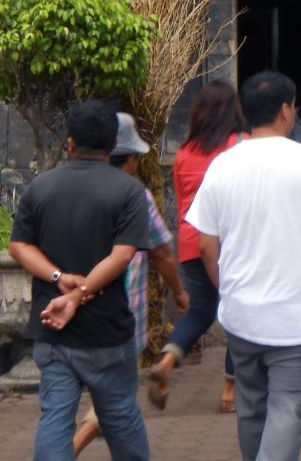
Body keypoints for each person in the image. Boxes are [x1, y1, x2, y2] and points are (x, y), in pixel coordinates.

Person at [186, 69, 301, 461]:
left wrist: (227, 289)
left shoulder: (222, 166)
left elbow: (206, 245)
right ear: (285, 110)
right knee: (288, 409)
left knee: (251, 408)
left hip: (241, 315)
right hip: (295, 320)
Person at [9, 100, 151, 461]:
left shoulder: (41, 187)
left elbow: (19, 246)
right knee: (121, 418)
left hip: (52, 328)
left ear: (70, 143)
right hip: (107, 331)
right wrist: (79, 293)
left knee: (55, 419)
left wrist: (60, 279)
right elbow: (122, 255)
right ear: (113, 145)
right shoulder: (129, 191)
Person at [73, 113, 189, 456]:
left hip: (71, 312)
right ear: (130, 159)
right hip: (121, 317)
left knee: (96, 401)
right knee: (115, 403)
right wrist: (180, 293)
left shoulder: (64, 188)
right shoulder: (136, 196)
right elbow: (163, 254)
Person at [149, 79, 246, 412]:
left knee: (200, 311)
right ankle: (230, 391)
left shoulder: (184, 153)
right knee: (238, 312)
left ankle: (167, 359)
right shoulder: (240, 146)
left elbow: (181, 205)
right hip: (228, 242)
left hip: (192, 241)